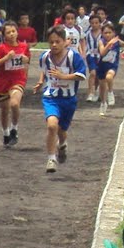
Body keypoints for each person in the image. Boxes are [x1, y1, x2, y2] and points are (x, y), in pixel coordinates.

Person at [33, 24, 86, 173]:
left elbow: (81, 76)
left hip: (69, 99)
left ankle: (62, 144)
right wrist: (40, 82)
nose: (54, 45)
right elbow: (45, 71)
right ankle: (51, 158)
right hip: (51, 97)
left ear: (65, 41)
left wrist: (63, 76)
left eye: (57, 41)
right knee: (51, 126)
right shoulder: (44, 57)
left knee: (62, 130)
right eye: (51, 42)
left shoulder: (73, 57)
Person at [0, 20, 30, 145]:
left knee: (15, 104)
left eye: (13, 31)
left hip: (18, 80)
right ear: (4, 35)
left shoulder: (24, 47)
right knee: (4, 111)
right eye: (8, 32)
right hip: (4, 82)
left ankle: (14, 129)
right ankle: (6, 133)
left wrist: (26, 60)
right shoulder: (1, 48)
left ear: (17, 32)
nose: (11, 34)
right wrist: (6, 58)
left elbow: (27, 60)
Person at [92, 21, 124, 113]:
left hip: (112, 66)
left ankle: (110, 92)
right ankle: (103, 103)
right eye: (105, 33)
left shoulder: (117, 41)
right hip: (101, 66)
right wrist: (109, 44)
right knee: (102, 87)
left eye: (110, 32)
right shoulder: (101, 42)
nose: (108, 35)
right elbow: (102, 53)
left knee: (109, 77)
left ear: (114, 33)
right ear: (102, 34)